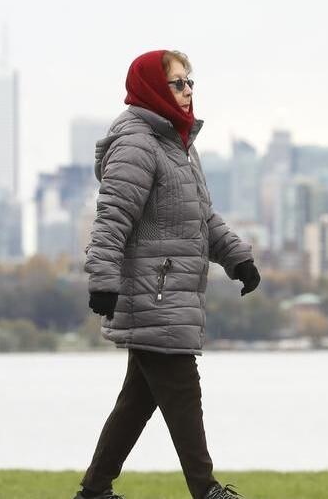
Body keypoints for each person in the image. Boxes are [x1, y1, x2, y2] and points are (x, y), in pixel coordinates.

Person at [75, 50, 261, 499]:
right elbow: (112, 217)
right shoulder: (138, 144)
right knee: (181, 390)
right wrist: (103, 280)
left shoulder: (177, 146)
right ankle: (206, 489)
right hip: (153, 296)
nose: (188, 91)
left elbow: (201, 218)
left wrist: (238, 258)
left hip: (169, 293)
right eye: (178, 84)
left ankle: (95, 491)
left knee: (137, 402)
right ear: (153, 90)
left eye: (190, 82)